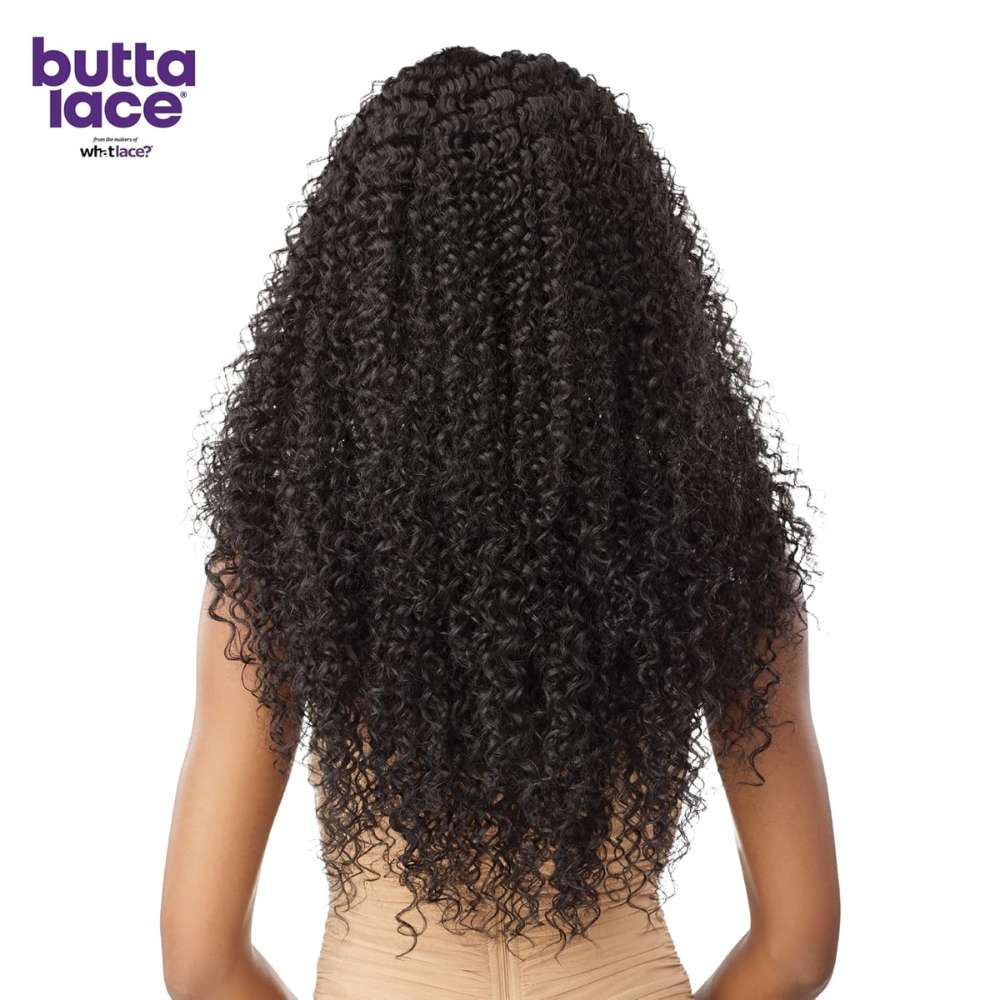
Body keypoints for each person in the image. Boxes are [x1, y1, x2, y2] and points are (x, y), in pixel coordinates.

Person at [160, 46, 839, 1000]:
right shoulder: (716, 548)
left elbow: (200, 960)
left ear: (370, 291)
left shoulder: (285, 561)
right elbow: (799, 947)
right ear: (629, 283)